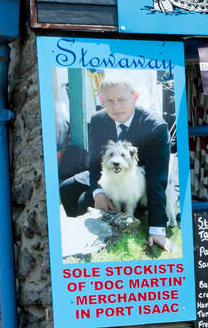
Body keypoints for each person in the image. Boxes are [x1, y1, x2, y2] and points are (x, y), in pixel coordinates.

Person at [58, 76, 172, 253]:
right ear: (102, 100)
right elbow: (95, 162)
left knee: (83, 201)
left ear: (134, 97)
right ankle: (79, 235)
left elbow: (157, 177)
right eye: (110, 101)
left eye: (121, 100)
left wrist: (157, 228)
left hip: (135, 182)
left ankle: (113, 228)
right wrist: (98, 192)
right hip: (108, 174)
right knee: (66, 188)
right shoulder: (98, 119)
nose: (116, 107)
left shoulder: (155, 126)